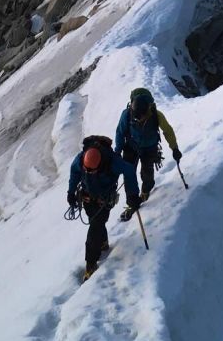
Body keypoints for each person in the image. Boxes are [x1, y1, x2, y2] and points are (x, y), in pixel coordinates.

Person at [68, 135, 141, 281]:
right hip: (88, 196)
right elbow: (74, 171)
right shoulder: (81, 159)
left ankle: (91, 263)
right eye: (87, 170)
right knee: (95, 221)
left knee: (96, 226)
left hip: (104, 199)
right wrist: (71, 192)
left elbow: (129, 171)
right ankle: (103, 243)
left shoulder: (112, 162)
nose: (89, 173)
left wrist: (132, 195)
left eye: (92, 171)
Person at [115, 88, 181, 219]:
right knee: (129, 175)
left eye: (142, 117)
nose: (139, 120)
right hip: (131, 147)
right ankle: (132, 202)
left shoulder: (156, 115)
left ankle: (145, 192)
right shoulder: (127, 115)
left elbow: (167, 130)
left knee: (147, 174)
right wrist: (117, 151)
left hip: (149, 148)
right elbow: (120, 133)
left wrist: (175, 148)